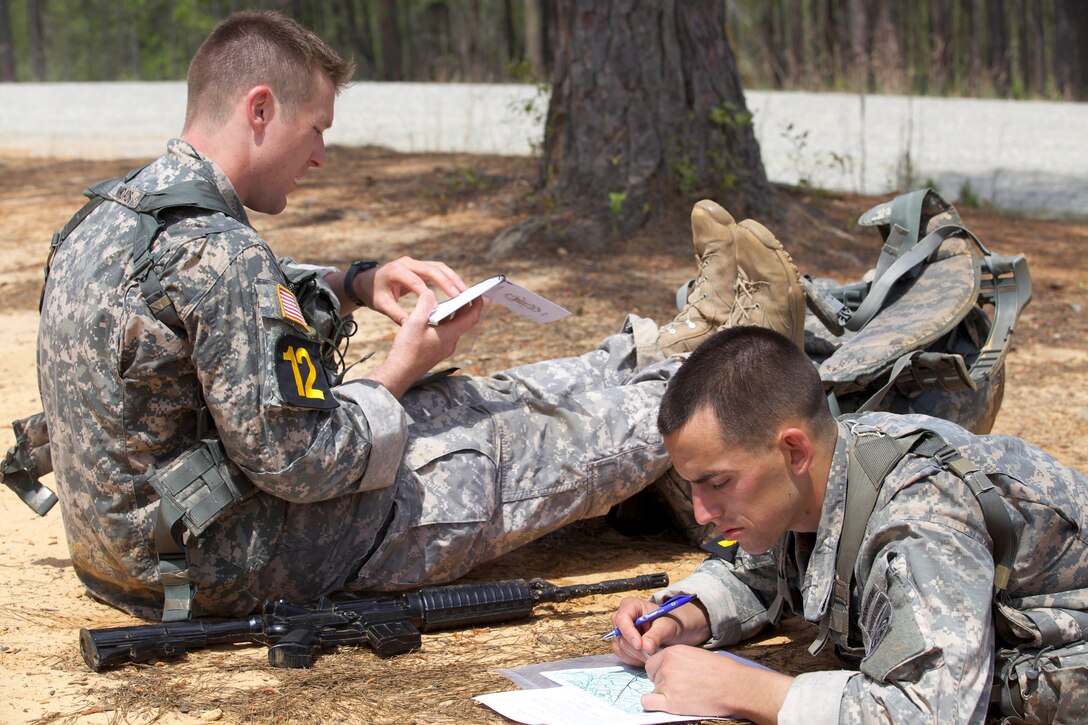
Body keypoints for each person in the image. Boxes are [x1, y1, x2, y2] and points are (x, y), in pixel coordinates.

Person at [34, 10, 807, 622]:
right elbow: (311, 463)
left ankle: (683, 347)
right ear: (260, 108)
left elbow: (199, 306)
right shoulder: (219, 253)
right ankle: (748, 361)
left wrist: (354, 281)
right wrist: (404, 365)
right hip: (234, 561)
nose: (320, 158)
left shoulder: (113, 216)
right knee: (498, 440)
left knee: (466, 397)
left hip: (139, 547)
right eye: (318, 131)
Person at [608, 325, 1088, 724]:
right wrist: (680, 615)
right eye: (691, 484)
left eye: (717, 482)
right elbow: (754, 569)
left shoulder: (922, 518)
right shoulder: (819, 469)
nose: (700, 512)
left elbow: (931, 713)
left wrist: (755, 692)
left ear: (794, 450)